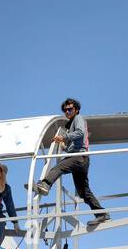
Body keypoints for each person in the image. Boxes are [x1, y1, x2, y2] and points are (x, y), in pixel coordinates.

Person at [34, 98, 110, 230]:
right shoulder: (70, 126)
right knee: (83, 191)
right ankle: (101, 213)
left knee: (59, 167)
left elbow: (80, 133)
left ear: (76, 110)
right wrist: (63, 144)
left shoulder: (78, 118)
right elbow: (71, 144)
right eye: (65, 110)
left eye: (70, 109)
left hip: (79, 156)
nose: (67, 112)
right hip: (79, 159)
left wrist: (64, 137)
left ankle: (45, 184)